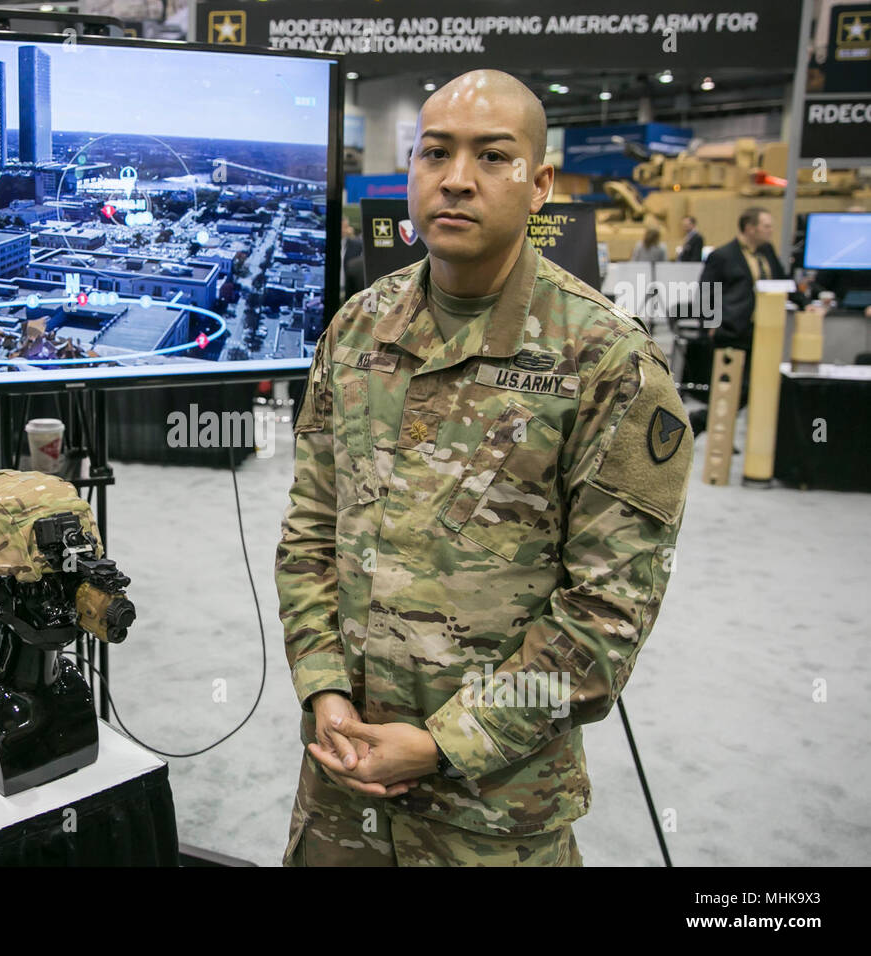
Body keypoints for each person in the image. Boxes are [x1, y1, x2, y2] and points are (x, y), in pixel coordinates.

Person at [275, 69, 693, 867]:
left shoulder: (608, 363)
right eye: (435, 153)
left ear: (539, 186)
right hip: (343, 784)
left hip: (491, 809)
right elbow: (309, 535)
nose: (456, 179)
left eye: (492, 156)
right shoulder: (357, 331)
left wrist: (442, 744)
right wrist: (323, 687)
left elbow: (606, 617)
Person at [687, 207, 804, 433]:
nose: (771, 231)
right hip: (731, 332)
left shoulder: (767, 252)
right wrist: (710, 326)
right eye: (766, 226)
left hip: (762, 332)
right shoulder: (722, 256)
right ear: (750, 228)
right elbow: (705, 294)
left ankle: (711, 423)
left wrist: (806, 302)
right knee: (732, 390)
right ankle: (707, 422)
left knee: (755, 388)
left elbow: (783, 282)